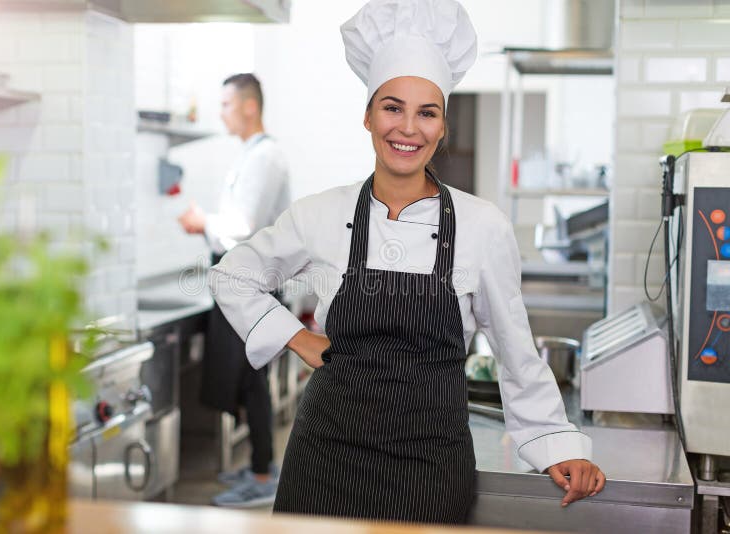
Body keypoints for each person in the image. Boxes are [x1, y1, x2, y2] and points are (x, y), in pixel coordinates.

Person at [209, 0, 605, 524]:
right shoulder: (322, 213)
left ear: (443, 127)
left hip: (431, 464)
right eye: (393, 107)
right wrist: (298, 339)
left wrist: (558, 443)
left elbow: (515, 349)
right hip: (326, 456)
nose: (408, 128)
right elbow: (233, 273)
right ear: (369, 115)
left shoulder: (481, 226)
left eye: (427, 112)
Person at [178, 73, 290, 508]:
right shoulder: (250, 155)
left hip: (252, 288)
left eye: (225, 104)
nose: (220, 112)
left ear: (248, 106)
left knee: (250, 380)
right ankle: (260, 466)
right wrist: (206, 225)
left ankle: (263, 476)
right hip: (239, 285)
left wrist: (203, 221)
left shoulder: (266, 157)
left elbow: (242, 228)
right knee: (245, 382)